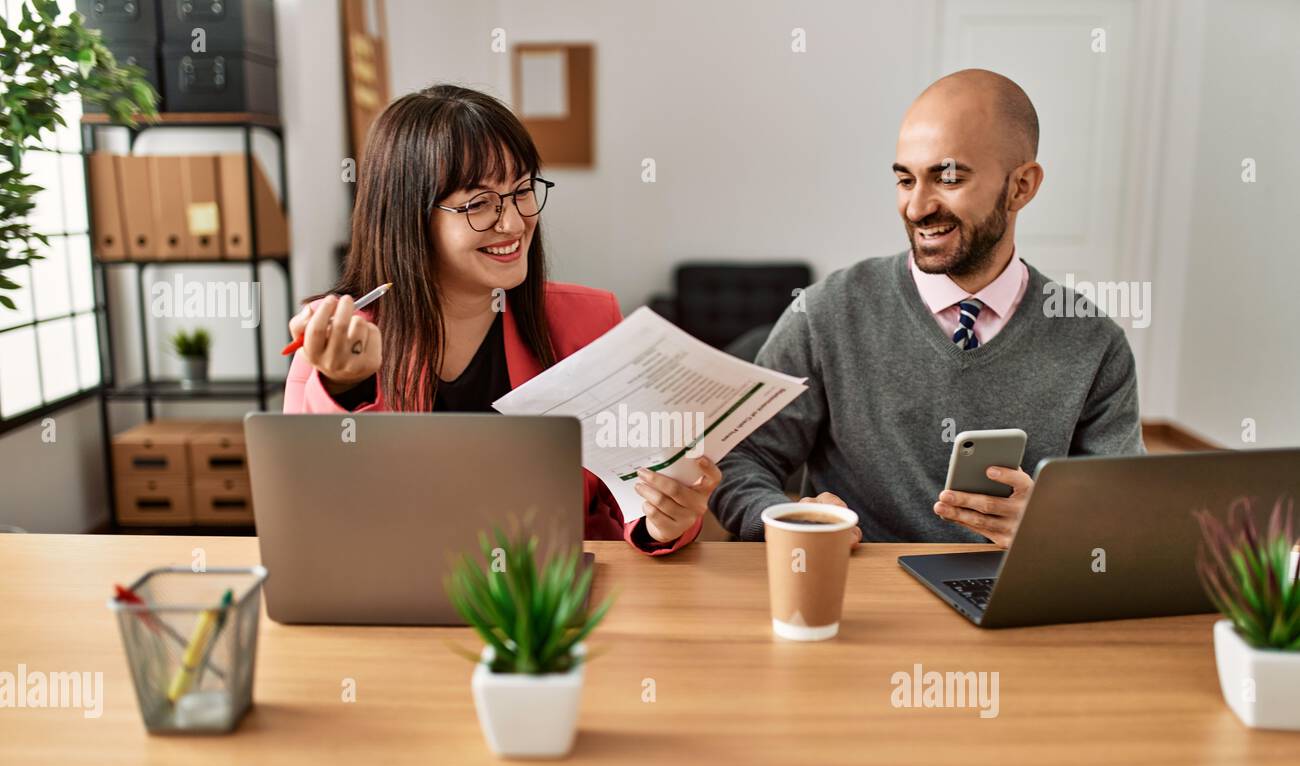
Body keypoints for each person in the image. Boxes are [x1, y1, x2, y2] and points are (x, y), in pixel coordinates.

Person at [711, 69, 1143, 548]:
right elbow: (738, 458)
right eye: (905, 179)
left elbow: (1122, 517)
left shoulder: (1094, 343)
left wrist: (1053, 528)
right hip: (860, 601)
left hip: (1010, 602)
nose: (916, 208)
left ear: (1021, 186)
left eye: (948, 176)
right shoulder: (826, 313)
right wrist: (785, 518)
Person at [284, 84, 720, 554]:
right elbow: (318, 514)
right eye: (478, 203)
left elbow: (632, 502)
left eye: (521, 192)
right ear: (409, 218)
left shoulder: (588, 322)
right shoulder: (335, 341)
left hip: (547, 603)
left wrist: (664, 522)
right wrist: (346, 389)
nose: (513, 223)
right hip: (398, 599)